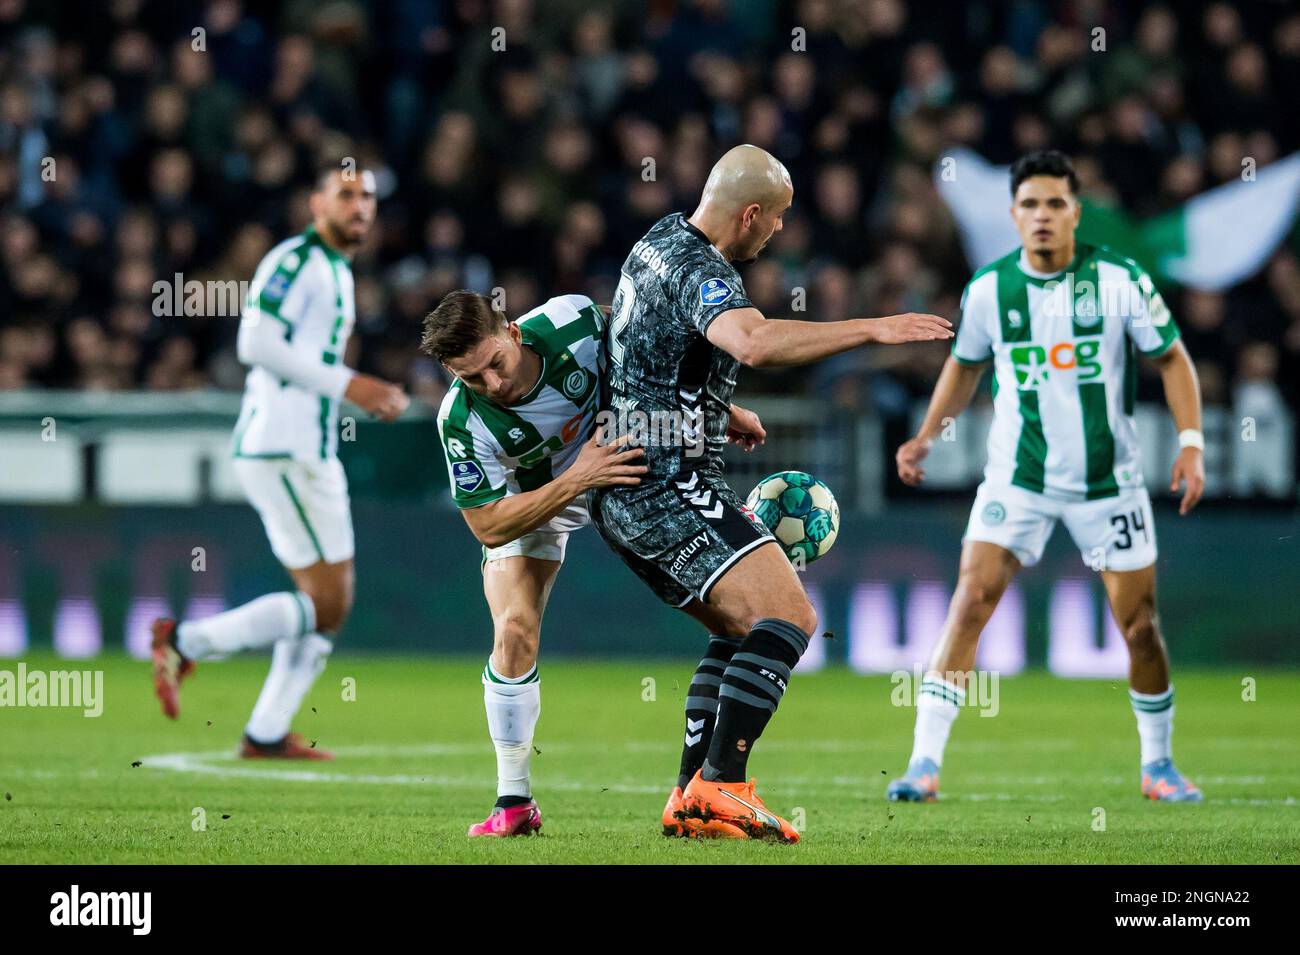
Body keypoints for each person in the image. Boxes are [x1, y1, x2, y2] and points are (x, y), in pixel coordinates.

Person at [591, 144, 954, 841]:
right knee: (791, 618)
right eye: (778, 218)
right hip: (664, 485)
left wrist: (712, 407)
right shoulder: (704, 271)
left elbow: (634, 340)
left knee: (739, 627)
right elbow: (753, 342)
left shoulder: (658, 240)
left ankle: (688, 796)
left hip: (636, 484)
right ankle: (725, 782)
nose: (779, 232)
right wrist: (873, 328)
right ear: (750, 213)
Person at [887, 149, 1205, 804]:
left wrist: (1192, 442)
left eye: (1055, 204)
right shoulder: (989, 290)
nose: (1041, 216)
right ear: (1013, 214)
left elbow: (1173, 358)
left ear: (1075, 213)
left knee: (1140, 624)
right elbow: (965, 365)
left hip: (1106, 480)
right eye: (1030, 204)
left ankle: (1159, 765)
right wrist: (926, 435)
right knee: (971, 599)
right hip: (1017, 476)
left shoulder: (1118, 279)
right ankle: (922, 764)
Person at [150, 158, 409, 759]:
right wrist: (350, 384)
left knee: (330, 605)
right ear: (315, 203)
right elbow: (254, 341)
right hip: (281, 445)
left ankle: (265, 731)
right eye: (346, 194)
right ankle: (185, 640)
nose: (360, 207)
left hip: (307, 449)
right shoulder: (293, 261)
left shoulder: (337, 271)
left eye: (368, 197)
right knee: (324, 602)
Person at [423, 290, 651, 835]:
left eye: (495, 365)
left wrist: (719, 407)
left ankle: (713, 781)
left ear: (514, 334)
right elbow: (487, 524)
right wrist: (576, 479)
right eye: (472, 378)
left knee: (715, 602)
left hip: (627, 465)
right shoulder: (459, 419)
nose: (492, 386)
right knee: (515, 631)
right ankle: (514, 802)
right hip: (536, 507)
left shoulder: (573, 321)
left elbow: (649, 355)